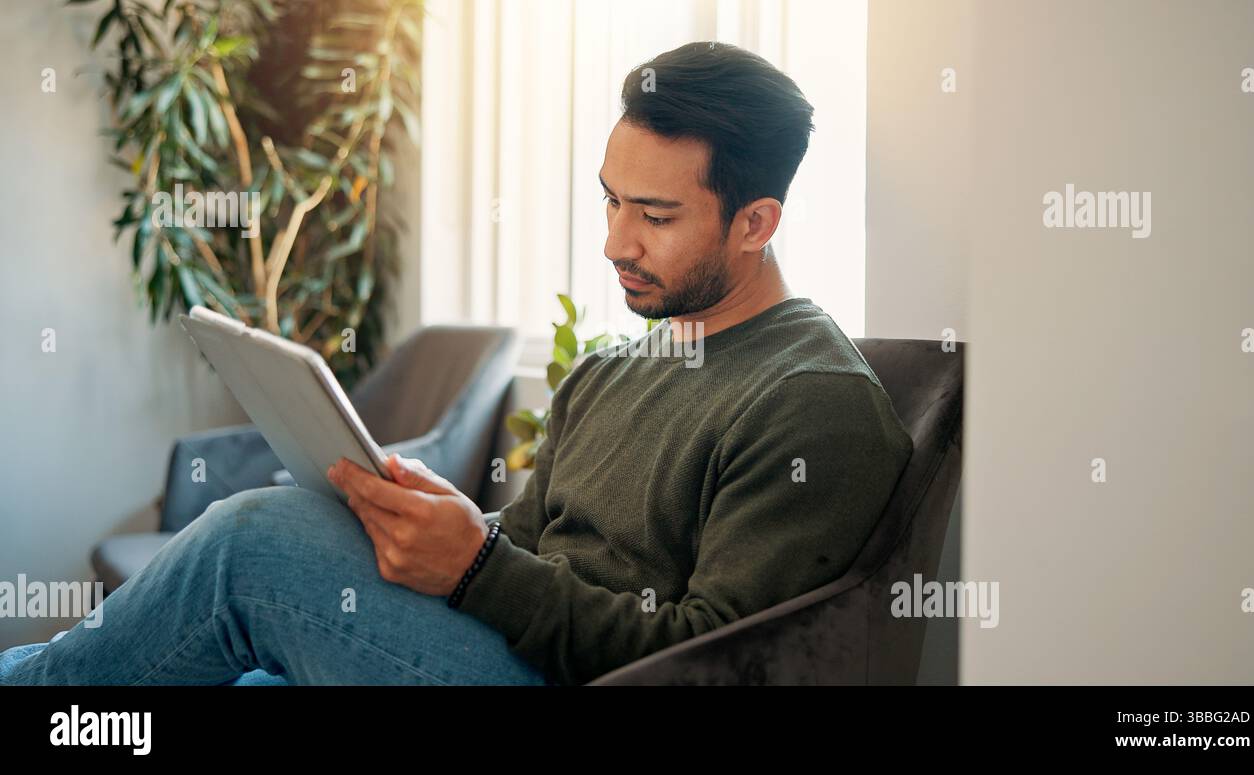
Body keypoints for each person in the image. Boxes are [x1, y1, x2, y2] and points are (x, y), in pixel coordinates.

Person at [0, 41, 912, 687]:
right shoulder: (614, 370)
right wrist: (450, 524)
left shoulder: (813, 403)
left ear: (756, 222)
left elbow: (717, 655)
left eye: (656, 216)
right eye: (608, 202)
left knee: (256, 544)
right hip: (497, 648)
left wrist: (477, 568)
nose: (614, 243)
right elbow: (528, 543)